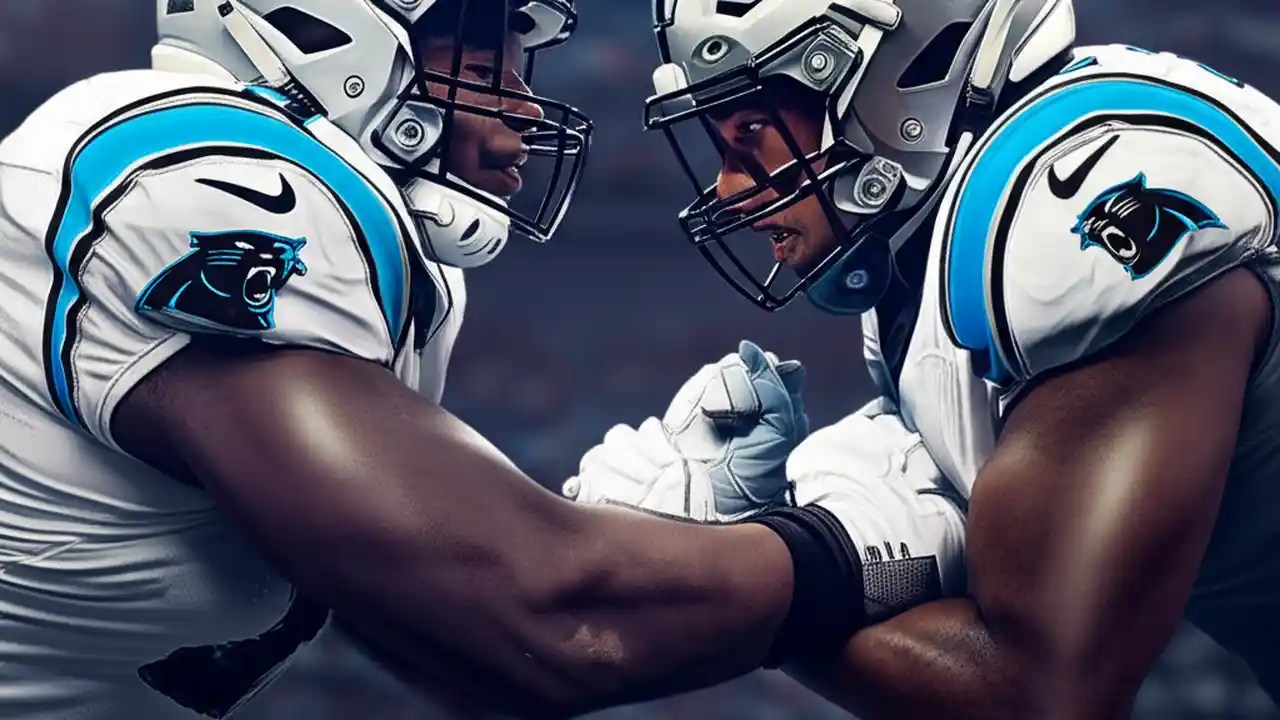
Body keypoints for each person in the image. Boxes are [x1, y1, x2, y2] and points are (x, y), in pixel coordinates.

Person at [0, 0, 959, 717]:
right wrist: (849, 545)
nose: (526, 105)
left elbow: (432, 631)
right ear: (336, 31)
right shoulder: (213, 175)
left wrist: (631, 538)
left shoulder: (372, 255)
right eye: (491, 53)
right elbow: (534, 625)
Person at [568, 0, 1280, 716]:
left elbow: (1044, 697)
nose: (729, 185)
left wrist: (733, 579)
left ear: (890, 84)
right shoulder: (955, 230)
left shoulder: (1073, 200)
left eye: (752, 132)